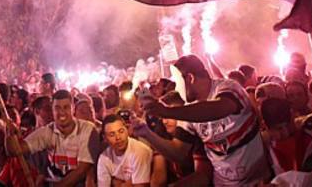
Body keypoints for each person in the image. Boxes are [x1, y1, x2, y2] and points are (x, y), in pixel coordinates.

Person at [144, 55, 270, 186]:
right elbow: (178, 153)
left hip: (258, 181)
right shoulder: (189, 112)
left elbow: (220, 108)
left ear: (190, 78)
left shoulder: (229, 88)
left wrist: (167, 111)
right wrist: (145, 132)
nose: (176, 88)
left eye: (178, 82)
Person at [7, 89, 95, 187]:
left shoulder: (87, 129)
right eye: (57, 108)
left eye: (66, 107)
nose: (61, 112)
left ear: (73, 108)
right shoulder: (47, 131)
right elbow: (14, 150)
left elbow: (82, 170)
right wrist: (9, 132)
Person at [96, 115, 152, 187]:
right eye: (112, 134)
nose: (118, 137)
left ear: (127, 130)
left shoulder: (139, 151)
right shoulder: (104, 157)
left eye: (121, 131)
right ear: (105, 138)